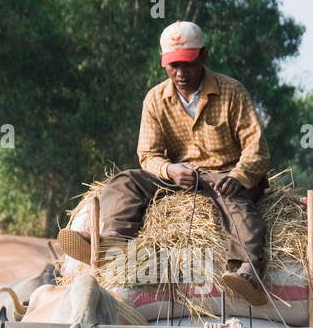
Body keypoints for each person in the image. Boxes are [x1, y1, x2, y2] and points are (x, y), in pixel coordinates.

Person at [57, 20, 271, 305]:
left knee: (237, 206)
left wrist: (239, 176)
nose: (180, 73)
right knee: (125, 181)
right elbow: (148, 154)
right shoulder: (156, 99)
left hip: (225, 176)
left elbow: (257, 149)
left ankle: (248, 270)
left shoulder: (232, 92)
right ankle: (112, 243)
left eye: (188, 64)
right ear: (163, 63)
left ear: (203, 56)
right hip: (180, 176)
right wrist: (170, 170)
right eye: (173, 66)